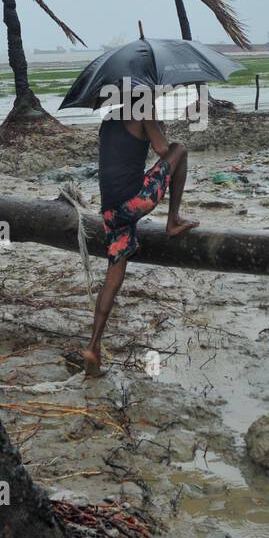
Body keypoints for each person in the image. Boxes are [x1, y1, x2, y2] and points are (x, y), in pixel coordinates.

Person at [81, 104, 198, 377]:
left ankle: (93, 347)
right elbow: (163, 149)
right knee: (180, 148)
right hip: (134, 203)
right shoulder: (143, 112)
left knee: (114, 277)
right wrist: (156, 122)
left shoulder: (110, 118)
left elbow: (122, 155)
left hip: (111, 211)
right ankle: (173, 220)